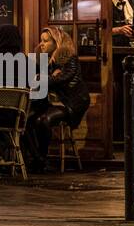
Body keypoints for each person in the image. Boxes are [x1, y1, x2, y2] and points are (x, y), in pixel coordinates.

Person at [26, 26, 90, 173]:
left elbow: (63, 78)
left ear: (57, 43)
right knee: (26, 121)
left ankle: (42, 159)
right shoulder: (44, 59)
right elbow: (37, 80)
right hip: (54, 101)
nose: (41, 44)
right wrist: (48, 77)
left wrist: (49, 78)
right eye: (41, 41)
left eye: (46, 41)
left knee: (42, 120)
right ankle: (38, 159)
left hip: (71, 102)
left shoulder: (68, 56)